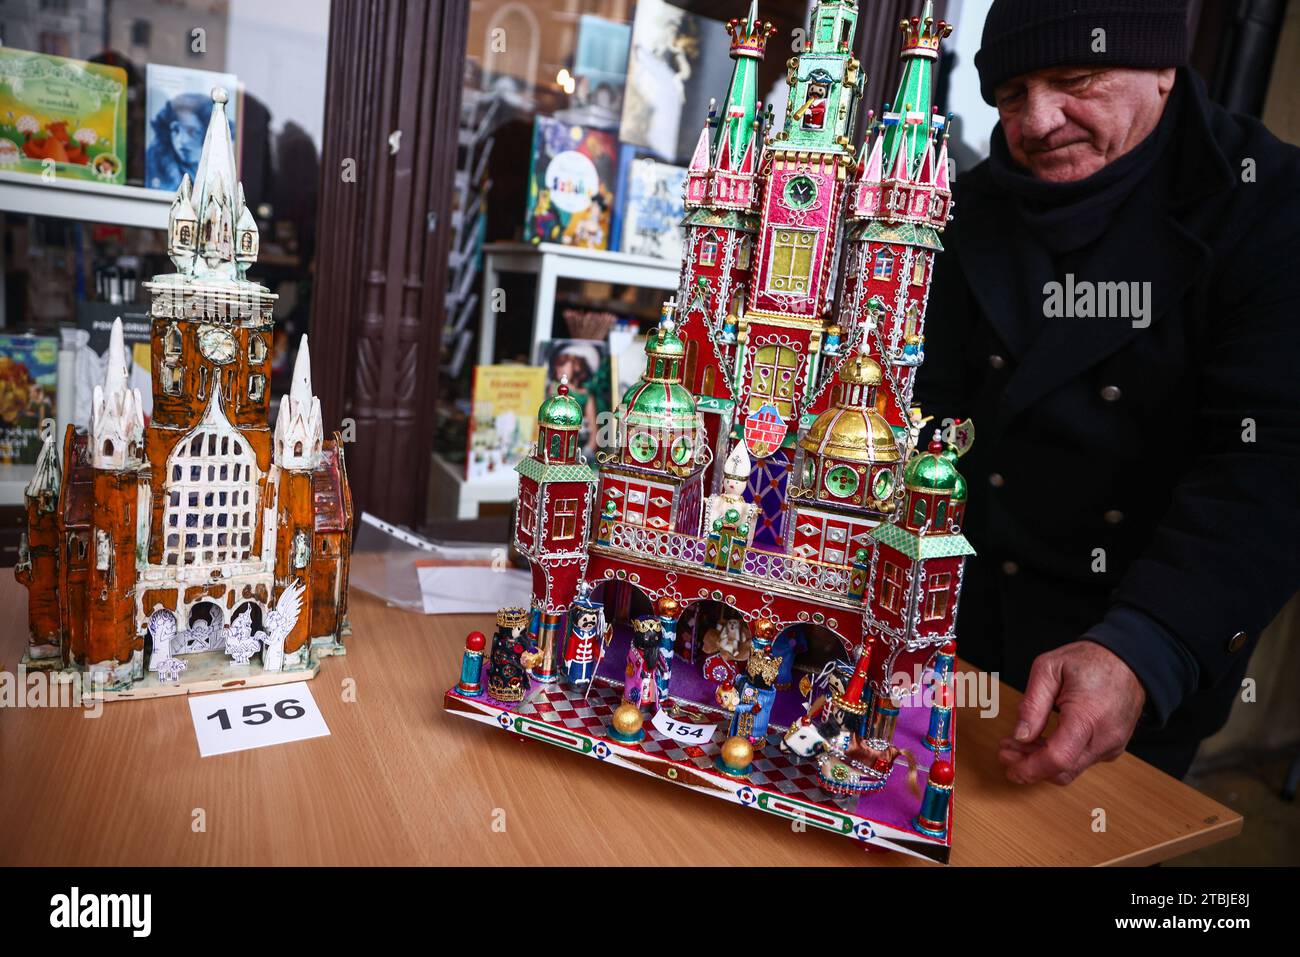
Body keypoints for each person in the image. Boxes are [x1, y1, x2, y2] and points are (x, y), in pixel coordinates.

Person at [915, 0, 1300, 784]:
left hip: (1132, 647)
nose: (1038, 120)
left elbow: (1271, 464)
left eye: (1075, 78)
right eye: (1012, 95)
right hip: (955, 630)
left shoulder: (1269, 203)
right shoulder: (968, 209)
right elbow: (929, 406)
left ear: (1163, 68)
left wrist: (1144, 644)